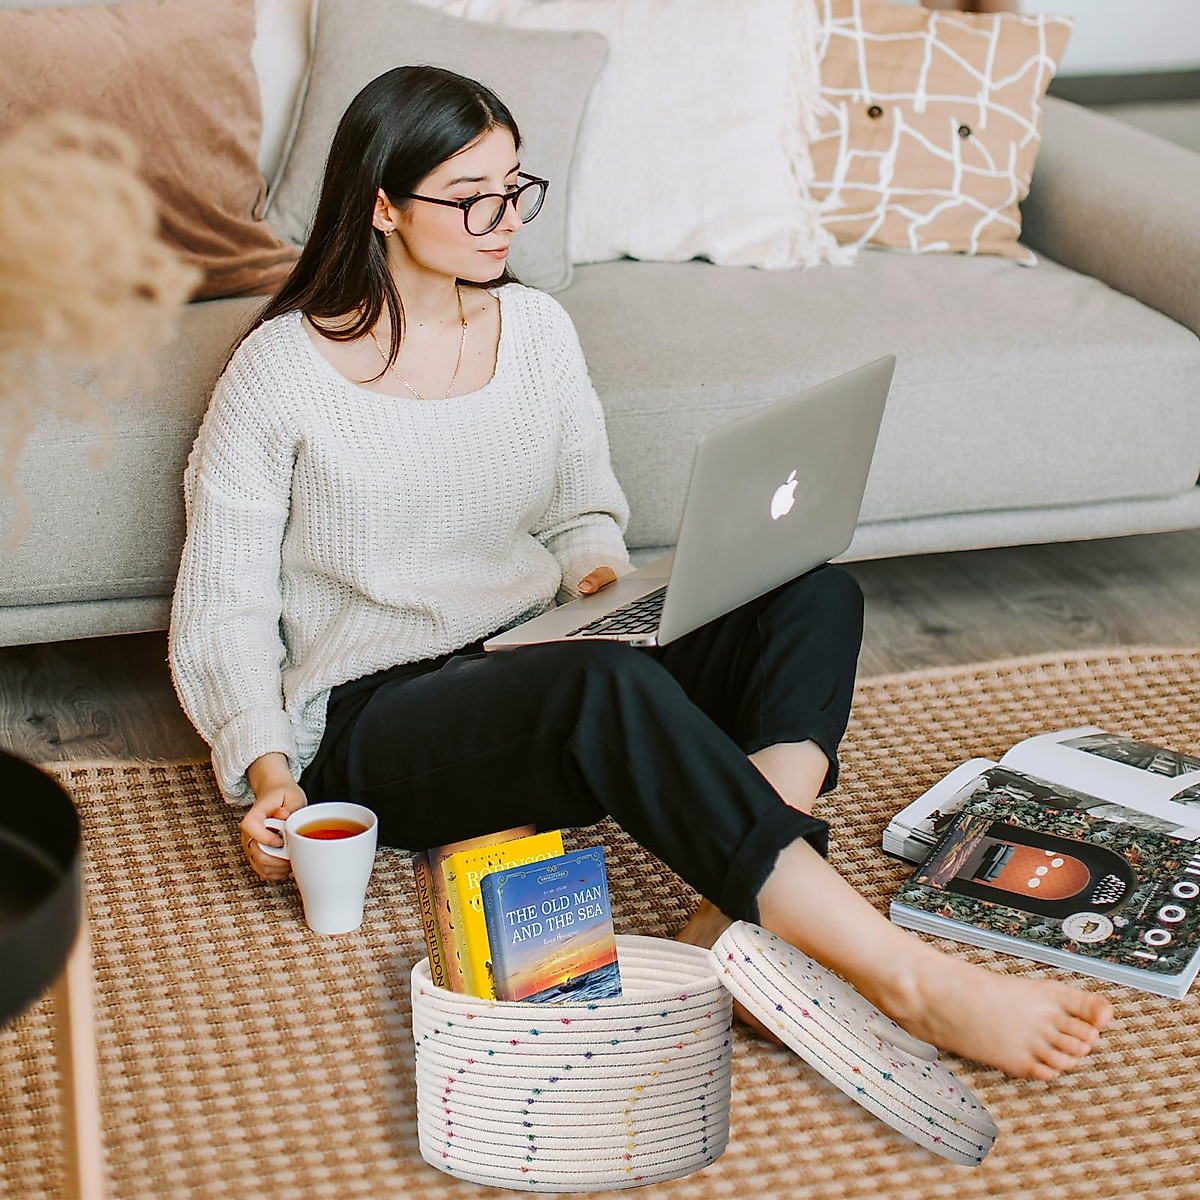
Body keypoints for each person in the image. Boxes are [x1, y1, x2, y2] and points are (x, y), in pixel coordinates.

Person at [169, 65, 1113, 1081]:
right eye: (471, 197)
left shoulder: (534, 330)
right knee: (602, 685)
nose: (504, 220)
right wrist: (270, 774)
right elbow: (224, 610)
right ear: (382, 205)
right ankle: (910, 978)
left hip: (537, 658)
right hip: (380, 719)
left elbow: (581, 511)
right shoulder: (280, 371)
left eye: (515, 188)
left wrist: (599, 581)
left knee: (812, 594)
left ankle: (734, 910)